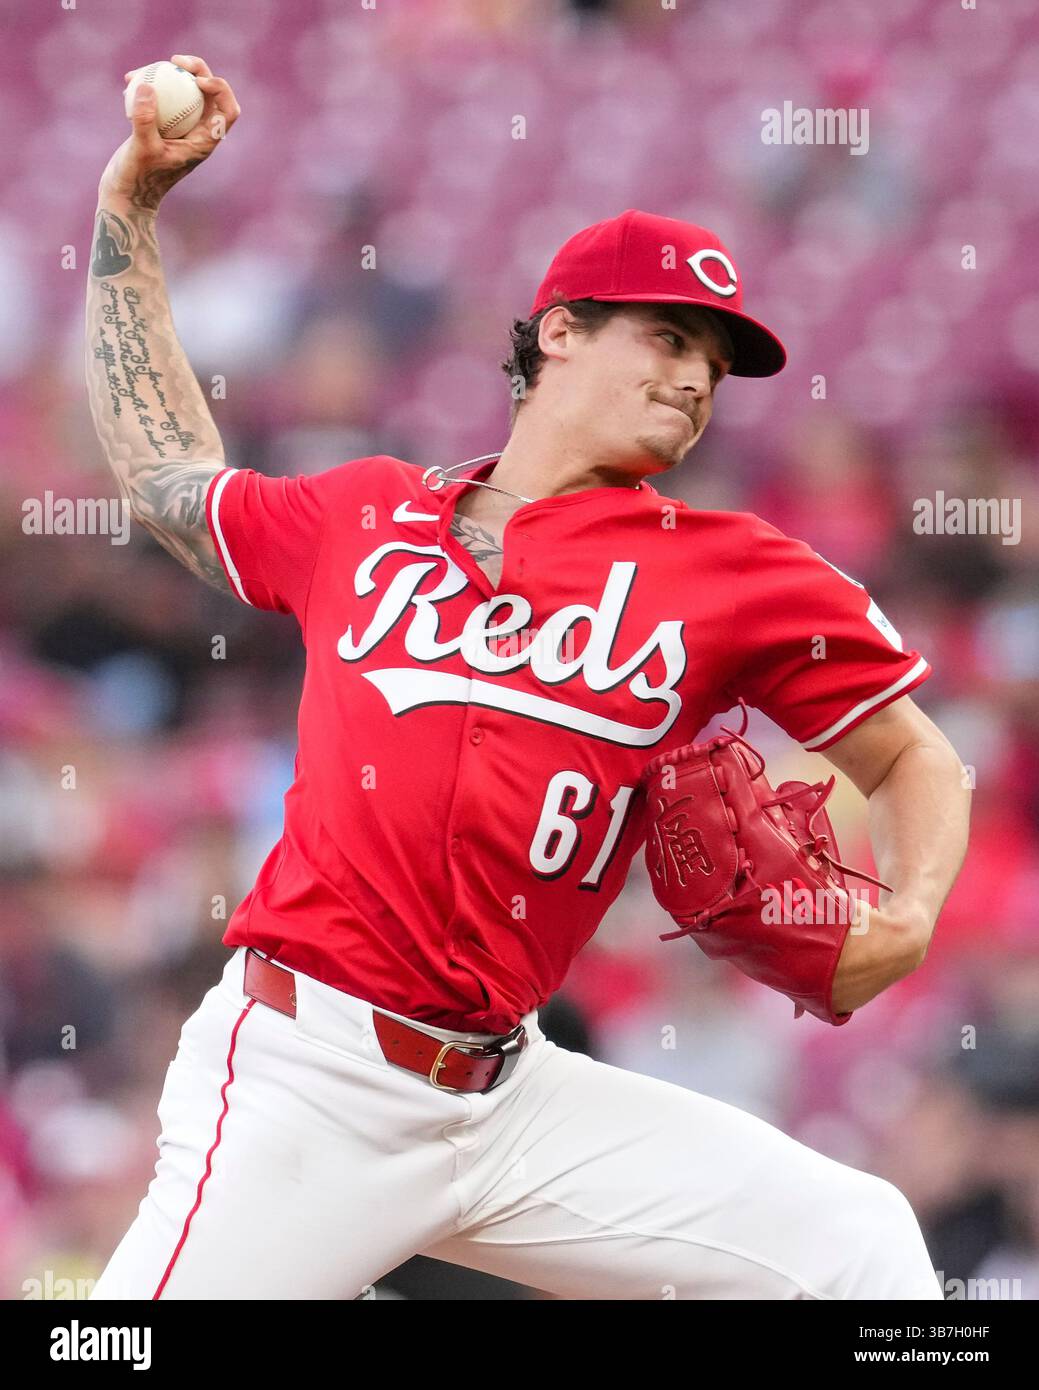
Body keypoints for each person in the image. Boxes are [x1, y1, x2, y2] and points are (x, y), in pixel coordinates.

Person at [85, 55, 970, 1300]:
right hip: (306, 1076)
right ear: (558, 331)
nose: (695, 381)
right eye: (668, 338)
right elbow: (170, 476)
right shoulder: (367, 512)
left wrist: (910, 912)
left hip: (512, 1096)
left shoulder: (730, 567)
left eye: (715, 365)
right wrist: (129, 204)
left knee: (860, 1245)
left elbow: (915, 754)